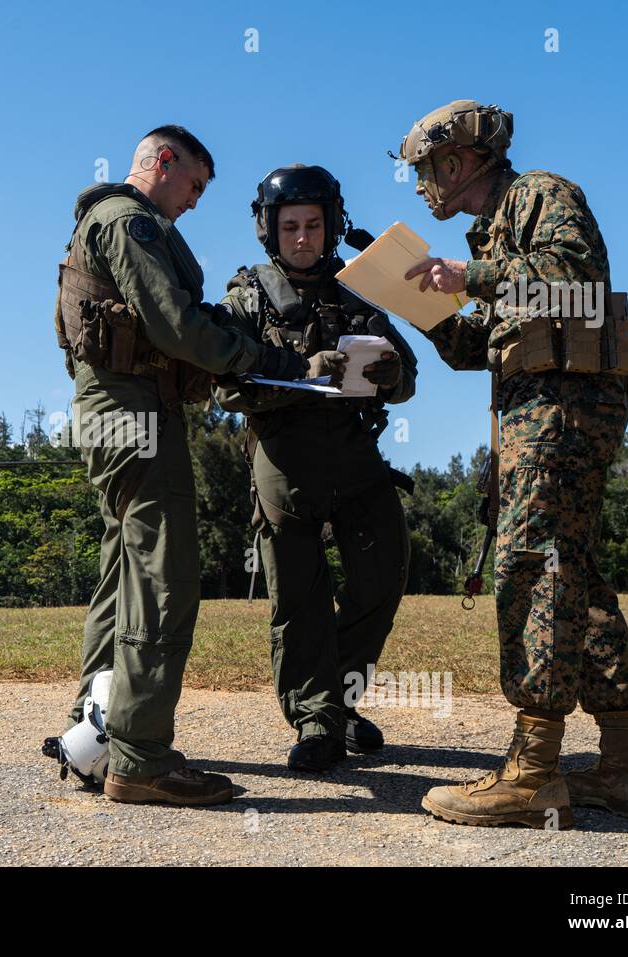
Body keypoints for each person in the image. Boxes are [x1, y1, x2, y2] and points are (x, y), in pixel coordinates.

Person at [395, 100, 628, 828]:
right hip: (542, 418)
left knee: (532, 566)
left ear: (458, 161)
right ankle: (626, 765)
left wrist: (468, 274)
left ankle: (534, 772)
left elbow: (574, 279)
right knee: (576, 576)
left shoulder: (542, 194)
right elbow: (476, 345)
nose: (420, 187)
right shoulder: (493, 235)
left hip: (563, 416)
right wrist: (419, 305)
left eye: (424, 171)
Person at [50, 126, 318, 805]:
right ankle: (140, 758)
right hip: (134, 413)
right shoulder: (128, 220)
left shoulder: (109, 222)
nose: (196, 202)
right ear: (162, 161)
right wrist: (269, 360)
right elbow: (172, 323)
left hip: (121, 411)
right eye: (194, 185)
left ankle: (97, 733)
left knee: (125, 570)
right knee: (165, 576)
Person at [214, 165, 416, 773]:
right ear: (268, 230)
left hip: (356, 456)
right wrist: (306, 371)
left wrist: (392, 376)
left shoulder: (360, 288)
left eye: (314, 225)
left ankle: (341, 702)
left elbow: (406, 374)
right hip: (285, 459)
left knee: (383, 573)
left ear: (332, 227)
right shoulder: (246, 296)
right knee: (299, 598)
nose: (303, 238)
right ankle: (316, 721)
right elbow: (224, 389)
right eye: (290, 226)